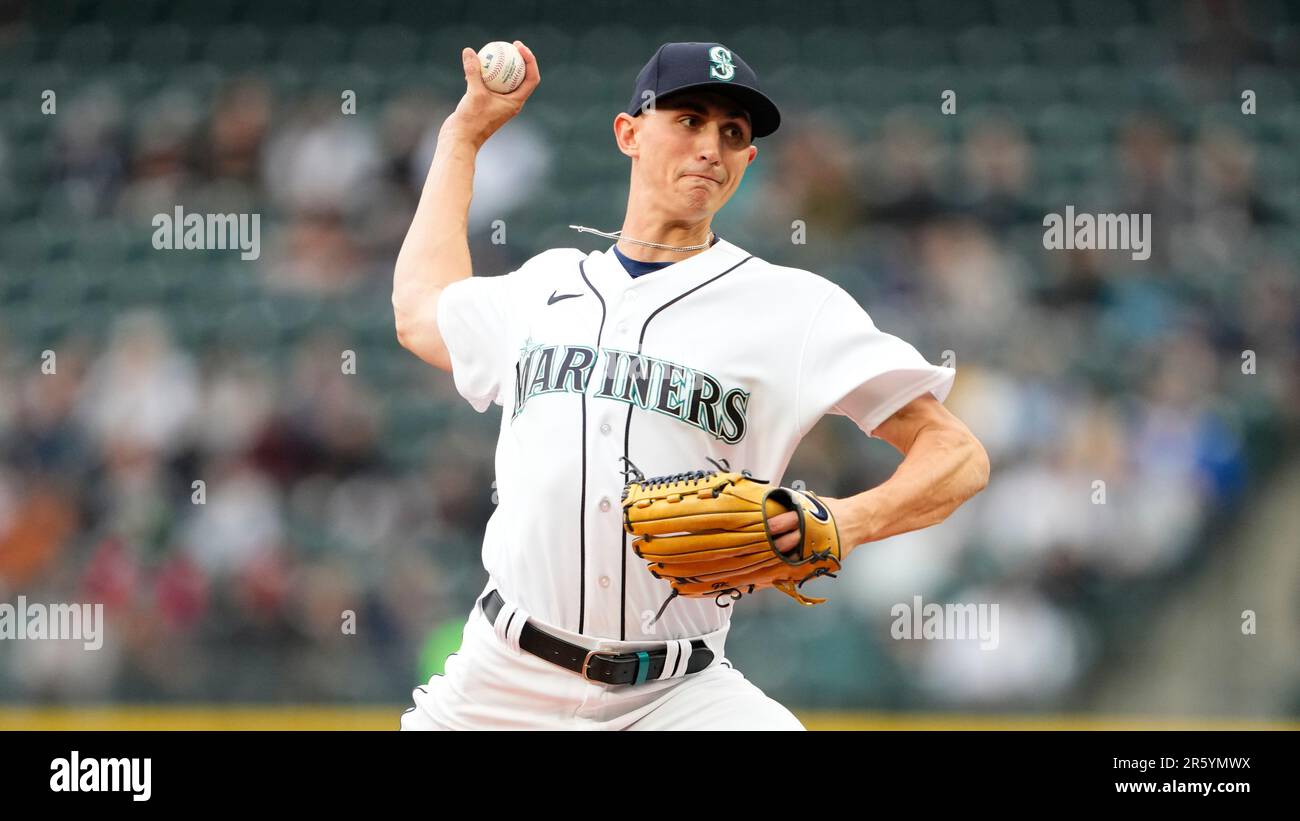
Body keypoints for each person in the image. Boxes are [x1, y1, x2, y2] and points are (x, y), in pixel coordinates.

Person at [391, 40, 990, 730]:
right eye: (689, 120)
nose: (712, 145)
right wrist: (464, 134)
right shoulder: (544, 286)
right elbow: (419, 310)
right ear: (629, 134)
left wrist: (846, 522)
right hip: (500, 685)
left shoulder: (792, 308)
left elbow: (958, 455)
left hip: (678, 694)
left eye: (733, 134)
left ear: (748, 162)